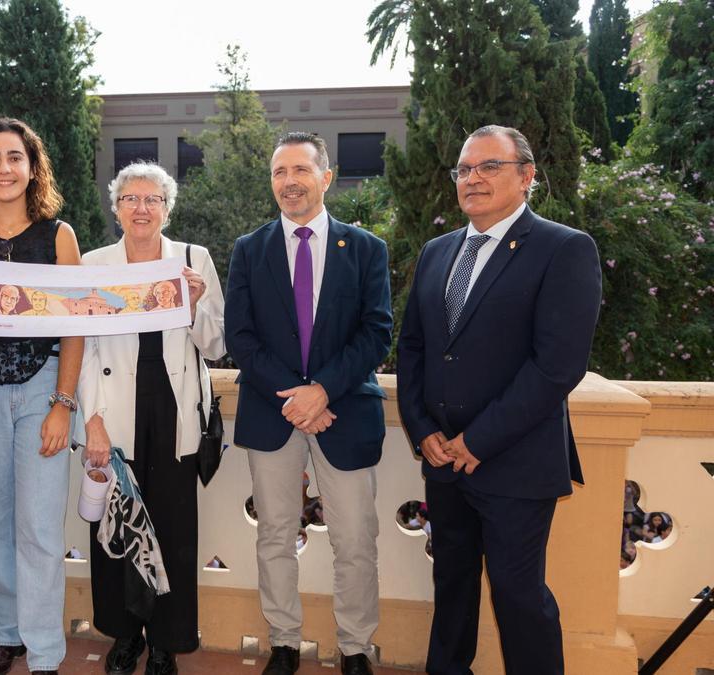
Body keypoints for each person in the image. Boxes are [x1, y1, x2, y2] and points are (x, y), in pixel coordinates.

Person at [396, 125, 602, 675]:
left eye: (489, 166)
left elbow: (557, 367)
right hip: (443, 462)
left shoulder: (564, 249)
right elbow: (412, 348)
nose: (474, 179)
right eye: (464, 169)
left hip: (515, 464)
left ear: (526, 176)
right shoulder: (437, 252)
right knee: (451, 588)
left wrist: (478, 441)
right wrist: (423, 431)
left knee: (519, 596)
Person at [225, 132, 392, 675]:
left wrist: (322, 390)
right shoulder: (250, 250)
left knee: (355, 539)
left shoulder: (366, 249)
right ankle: (284, 641)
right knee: (275, 534)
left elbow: (376, 333)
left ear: (326, 176)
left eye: (300, 170)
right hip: (273, 415)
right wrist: (297, 398)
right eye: (279, 172)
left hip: (343, 412)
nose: (289, 182)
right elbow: (241, 338)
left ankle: (355, 648)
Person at [77, 161, 226, 675]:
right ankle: (124, 636)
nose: (141, 209)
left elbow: (215, 344)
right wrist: (91, 422)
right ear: (116, 207)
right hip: (114, 412)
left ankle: (166, 639)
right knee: (117, 529)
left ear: (167, 208)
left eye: (152, 199)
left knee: (174, 531)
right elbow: (82, 352)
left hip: (174, 410)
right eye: (131, 199)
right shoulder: (93, 263)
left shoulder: (194, 258)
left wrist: (198, 302)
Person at [0, 118, 82, 675]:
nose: (5, 169)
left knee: (40, 527)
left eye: (15, 158)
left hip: (41, 389)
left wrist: (63, 403)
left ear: (33, 167)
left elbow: (76, 325)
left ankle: (46, 652)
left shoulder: (59, 236)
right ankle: (8, 634)